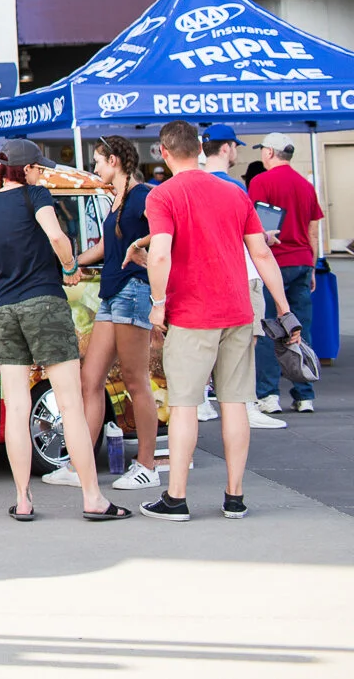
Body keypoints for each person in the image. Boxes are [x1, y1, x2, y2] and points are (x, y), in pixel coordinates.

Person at [141, 120, 300, 522]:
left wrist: (158, 302)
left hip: (192, 314)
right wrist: (284, 309)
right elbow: (262, 254)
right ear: (199, 148)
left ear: (163, 152)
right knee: (234, 403)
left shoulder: (162, 195)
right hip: (237, 311)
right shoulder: (234, 193)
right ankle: (235, 497)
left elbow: (160, 254)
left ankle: (176, 498)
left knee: (184, 406)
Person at [0, 139, 127, 521]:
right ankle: (93, 498)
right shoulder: (36, 195)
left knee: (16, 407)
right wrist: (69, 265)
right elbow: (57, 236)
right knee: (71, 404)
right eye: (38, 168)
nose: (42, 173)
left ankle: (23, 499)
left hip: (4, 310)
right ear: (26, 170)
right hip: (44, 302)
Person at [67, 136, 162, 491]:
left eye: (97, 162)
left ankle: (147, 465)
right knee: (90, 380)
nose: (95, 168)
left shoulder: (144, 196)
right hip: (112, 294)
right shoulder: (116, 199)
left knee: (136, 381)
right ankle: (81, 466)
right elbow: (107, 247)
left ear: (115, 161)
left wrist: (142, 250)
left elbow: (166, 235)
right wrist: (70, 263)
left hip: (133, 292)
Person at [201, 124, 285, 428]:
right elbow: (254, 246)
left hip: (206, 276)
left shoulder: (190, 186)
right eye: (235, 146)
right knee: (246, 341)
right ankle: (246, 406)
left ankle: (201, 401)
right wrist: (264, 238)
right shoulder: (235, 189)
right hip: (242, 273)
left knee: (207, 343)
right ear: (226, 148)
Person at [250, 133, 324, 414]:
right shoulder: (306, 186)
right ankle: (305, 394)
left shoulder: (260, 182)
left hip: (273, 263)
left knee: (269, 327)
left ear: (270, 152)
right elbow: (312, 231)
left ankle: (268, 395)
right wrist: (312, 266)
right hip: (302, 261)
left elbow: (256, 227)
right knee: (298, 329)